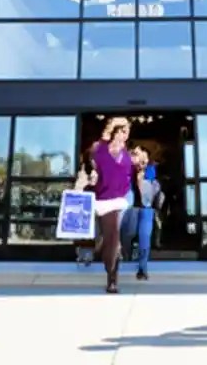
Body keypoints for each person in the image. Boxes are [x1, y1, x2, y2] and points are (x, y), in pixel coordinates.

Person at [93, 116, 134, 294]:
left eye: (127, 133)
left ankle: (112, 279)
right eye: (123, 131)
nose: (125, 136)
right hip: (103, 199)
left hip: (121, 199)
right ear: (116, 131)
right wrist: (92, 175)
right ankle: (104, 253)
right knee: (110, 239)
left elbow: (127, 177)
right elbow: (92, 168)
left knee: (115, 236)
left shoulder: (126, 153)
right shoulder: (101, 149)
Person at [121, 146, 162, 280]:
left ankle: (142, 269)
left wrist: (140, 179)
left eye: (141, 155)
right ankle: (126, 256)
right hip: (131, 208)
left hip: (145, 209)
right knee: (128, 232)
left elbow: (147, 195)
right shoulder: (127, 169)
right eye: (135, 154)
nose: (138, 158)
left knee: (144, 237)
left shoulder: (150, 170)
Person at [72, 148, 99, 266]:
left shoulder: (98, 172)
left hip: (95, 207)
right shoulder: (82, 172)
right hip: (82, 205)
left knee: (92, 232)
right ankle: (81, 255)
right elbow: (78, 188)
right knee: (82, 232)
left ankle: (89, 255)